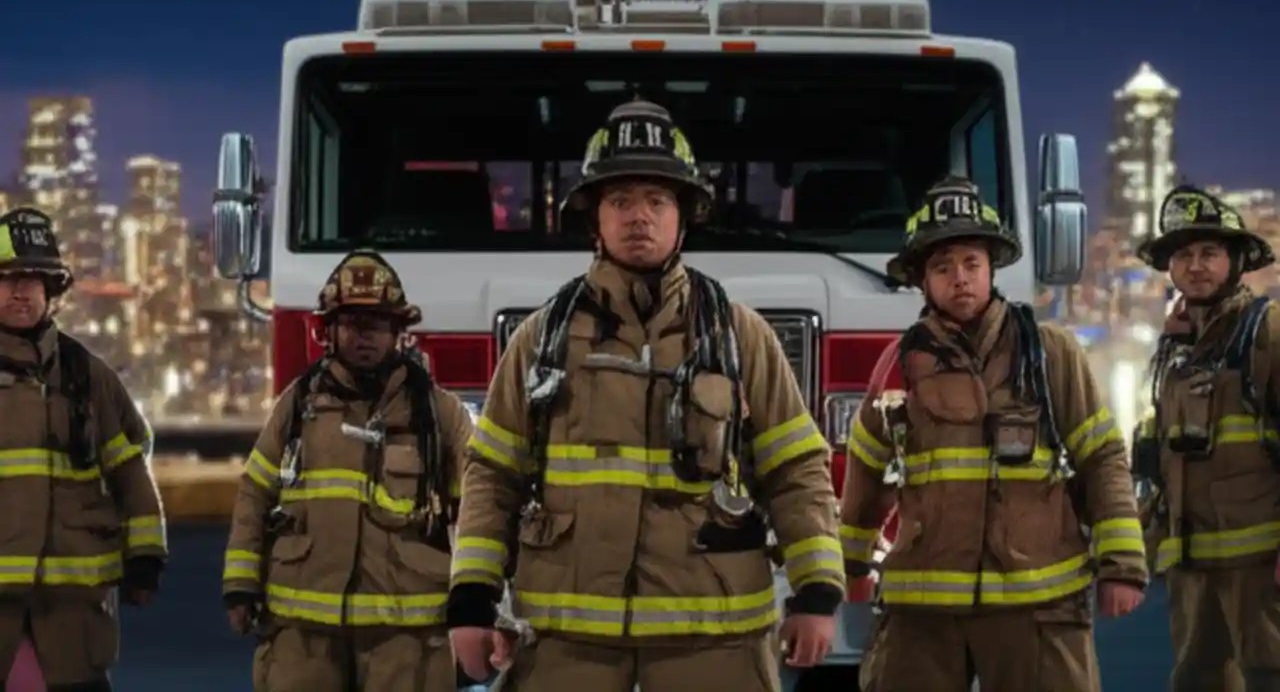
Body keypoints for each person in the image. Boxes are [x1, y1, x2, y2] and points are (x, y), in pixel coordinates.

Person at [445, 99, 844, 691]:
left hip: (713, 634)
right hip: (566, 635)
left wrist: (817, 591)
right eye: (621, 201)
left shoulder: (740, 335)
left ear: (683, 217)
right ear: (594, 218)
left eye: (658, 201)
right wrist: (473, 600)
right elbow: (493, 474)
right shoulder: (541, 340)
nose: (640, 217)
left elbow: (796, 468)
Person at [839, 177, 1148, 691]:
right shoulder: (897, 367)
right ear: (923, 281)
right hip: (923, 611)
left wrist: (1123, 565)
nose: (959, 278)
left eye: (971, 264)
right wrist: (847, 571)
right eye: (942, 268)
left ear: (991, 269)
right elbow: (866, 476)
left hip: (1036, 603)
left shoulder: (1049, 353)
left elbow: (1102, 458)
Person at [221, 250, 474, 691]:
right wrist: (241, 585)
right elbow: (254, 495)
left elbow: (478, 510)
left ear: (399, 331)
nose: (364, 337)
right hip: (304, 632)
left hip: (406, 632)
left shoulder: (439, 415)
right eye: (351, 324)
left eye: (376, 324)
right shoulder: (298, 406)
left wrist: (481, 599)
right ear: (329, 331)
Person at [0, 207, 166, 692]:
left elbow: (130, 469)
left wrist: (146, 555)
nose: (20, 291)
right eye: (8, 279)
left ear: (52, 292)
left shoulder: (87, 375)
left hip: (72, 611)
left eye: (34, 280)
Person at [1132, 184, 1280, 692]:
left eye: (1210, 253)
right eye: (1184, 254)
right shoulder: (1175, 352)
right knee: (1197, 681)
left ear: (1237, 261)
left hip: (1261, 573)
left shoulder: (1267, 333)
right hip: (1192, 568)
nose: (1196, 265)